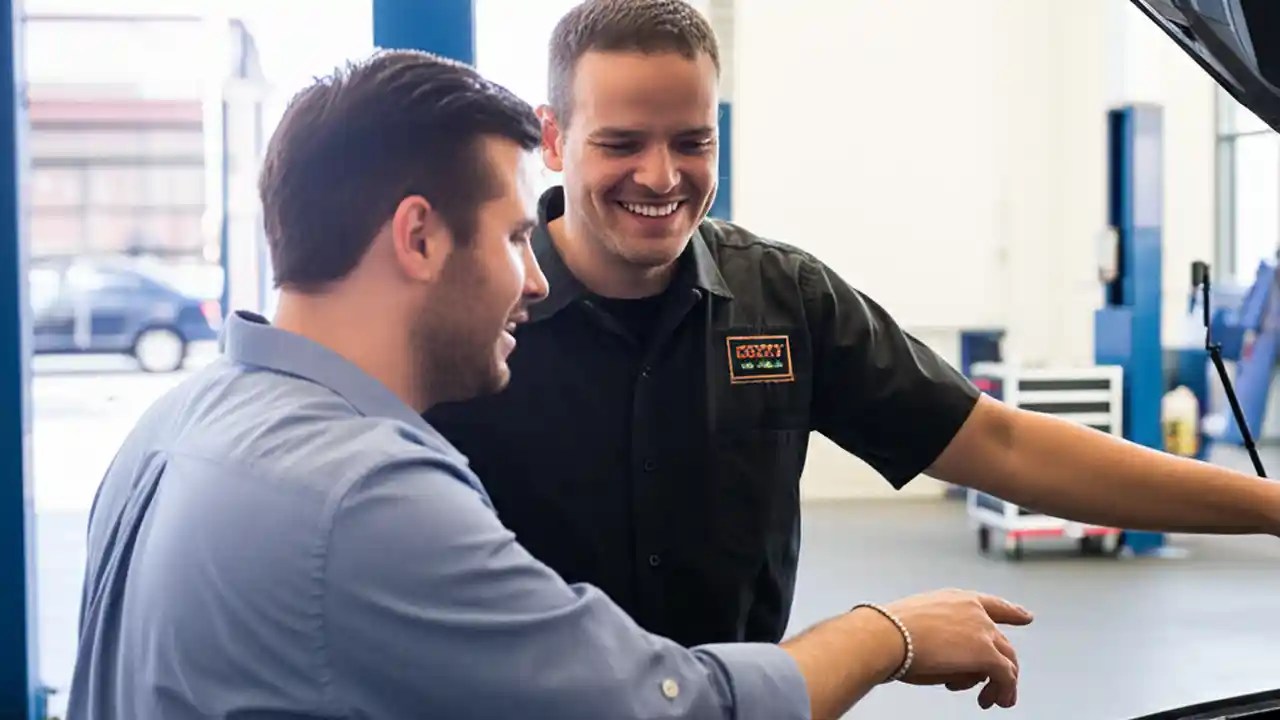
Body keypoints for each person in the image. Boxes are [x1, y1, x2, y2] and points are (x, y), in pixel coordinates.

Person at [67, 49, 1036, 720]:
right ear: (416, 237)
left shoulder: (179, 421)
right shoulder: (363, 494)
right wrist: (887, 634)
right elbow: (675, 709)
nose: (533, 279)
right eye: (515, 238)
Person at [426, 0, 1280, 651]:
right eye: (621, 143)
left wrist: (1272, 506)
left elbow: (1003, 446)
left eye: (692, 141)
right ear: (552, 135)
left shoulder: (784, 300)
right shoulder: (474, 307)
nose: (662, 176)